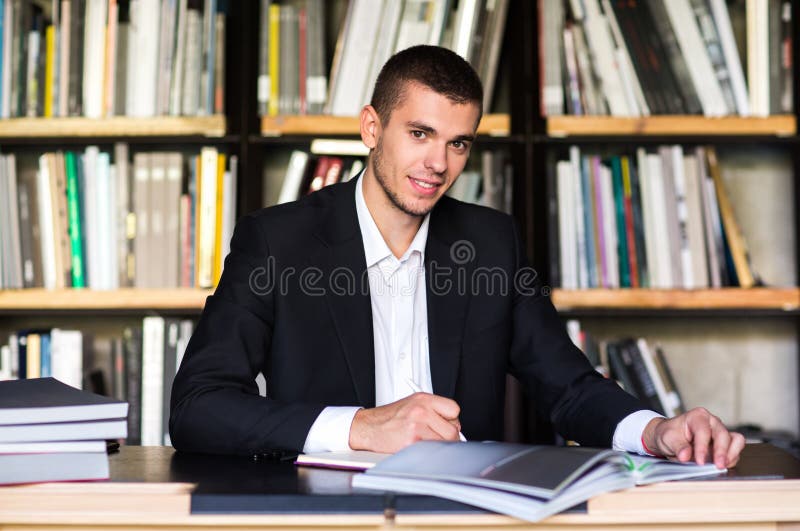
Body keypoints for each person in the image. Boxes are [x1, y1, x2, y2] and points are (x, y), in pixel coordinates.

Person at [170, 45, 744, 468]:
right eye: (419, 134)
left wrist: (656, 431)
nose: (438, 164)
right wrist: (362, 428)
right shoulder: (277, 241)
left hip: (465, 512)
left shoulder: (492, 243)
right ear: (372, 128)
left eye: (458, 143)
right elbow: (198, 405)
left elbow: (567, 386)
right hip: (325, 514)